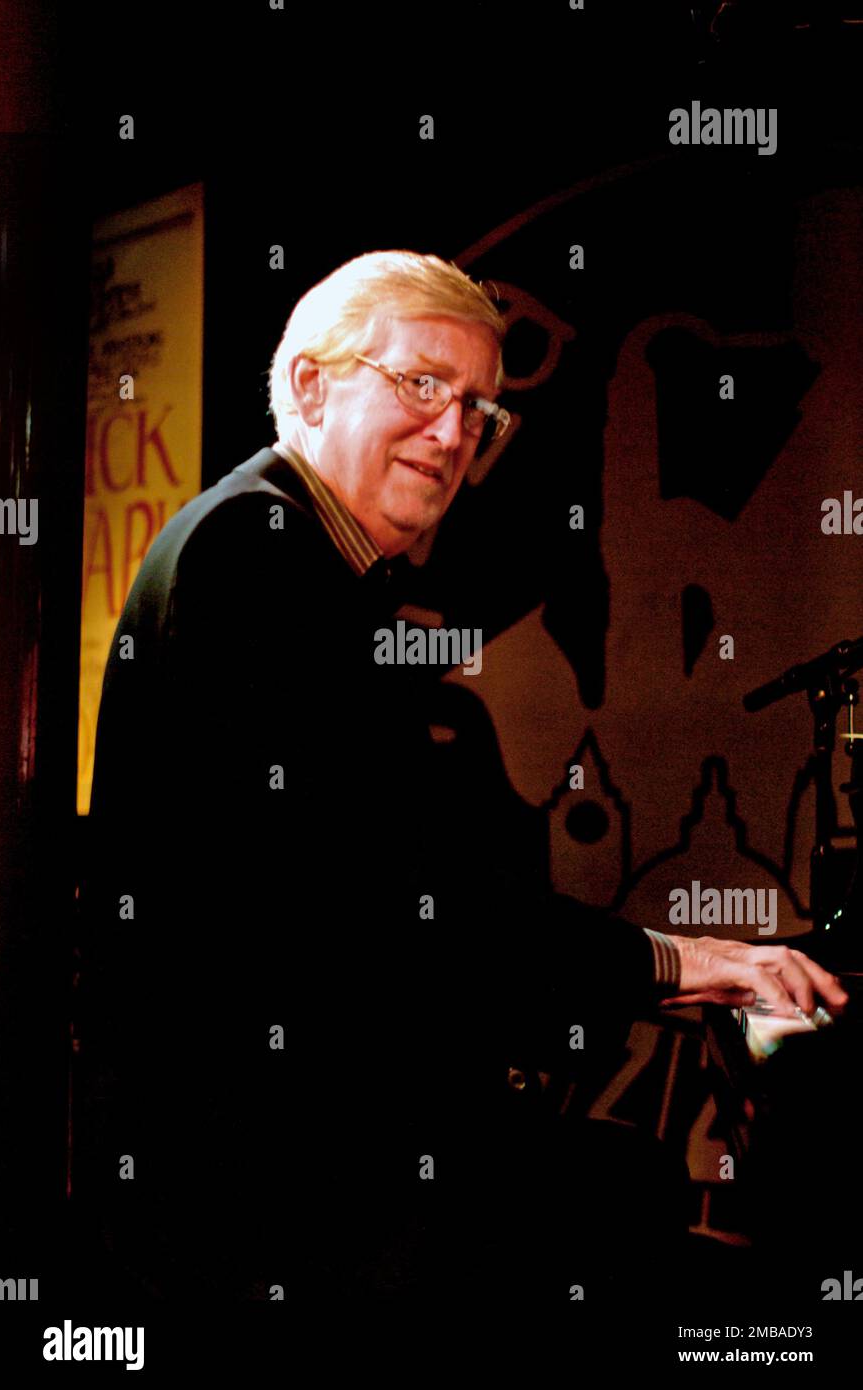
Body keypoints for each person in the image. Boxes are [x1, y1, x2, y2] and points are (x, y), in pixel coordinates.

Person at [79, 250, 848, 1305]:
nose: (453, 433)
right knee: (635, 1216)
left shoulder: (284, 549)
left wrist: (663, 966)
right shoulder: (257, 560)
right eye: (422, 385)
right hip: (273, 1182)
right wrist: (681, 964)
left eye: (479, 407)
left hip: (284, 1142)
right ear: (310, 384)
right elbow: (390, 913)